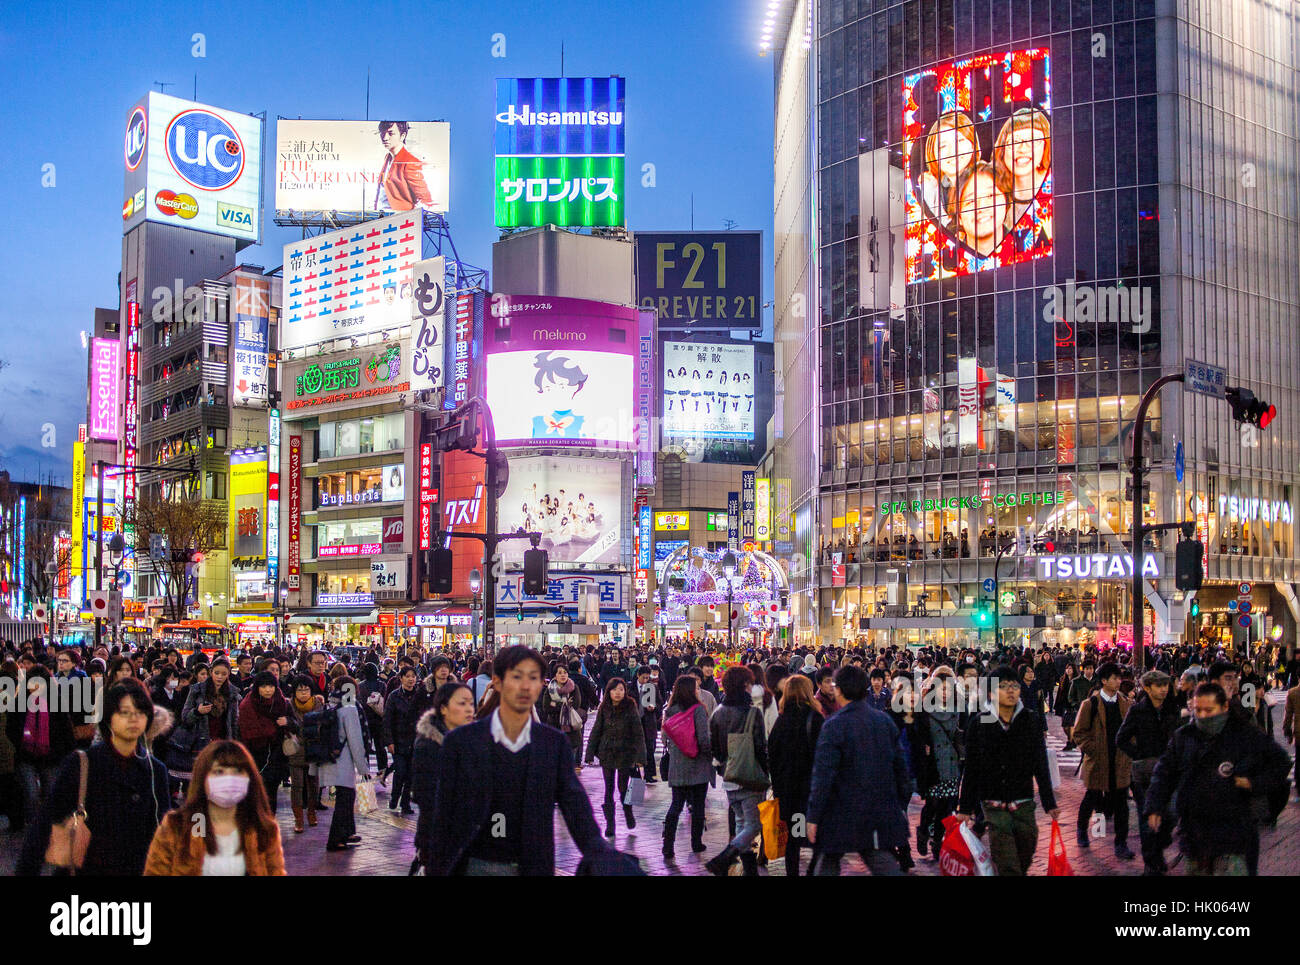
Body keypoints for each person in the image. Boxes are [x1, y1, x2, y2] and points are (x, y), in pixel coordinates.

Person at [427, 646, 612, 876]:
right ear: (497, 681)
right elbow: (443, 813)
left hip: (531, 865)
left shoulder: (552, 744)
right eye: (517, 676)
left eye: (533, 678)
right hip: (475, 863)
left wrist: (602, 852)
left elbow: (576, 808)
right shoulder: (462, 742)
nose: (526, 686)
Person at [17, 680, 170, 876]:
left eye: (140, 712)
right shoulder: (82, 763)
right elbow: (45, 824)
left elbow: (163, 831)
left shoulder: (155, 770)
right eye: (124, 712)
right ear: (109, 718)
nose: (134, 719)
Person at [1145, 682, 1293, 876]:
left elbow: (1280, 762)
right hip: (1194, 833)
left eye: (1209, 710)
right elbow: (1163, 773)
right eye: (1198, 710)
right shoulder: (1184, 737)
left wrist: (1253, 784)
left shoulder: (1244, 734)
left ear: (1224, 707)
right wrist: (1154, 806)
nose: (1203, 716)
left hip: (1232, 833)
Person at [804, 665, 910, 876]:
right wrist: (900, 802)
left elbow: (823, 775)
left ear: (840, 690)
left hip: (841, 810)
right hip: (879, 808)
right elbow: (900, 767)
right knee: (879, 859)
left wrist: (814, 815)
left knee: (828, 860)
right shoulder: (883, 721)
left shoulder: (834, 725)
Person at [955, 669, 1060, 876]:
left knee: (1026, 850)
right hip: (993, 805)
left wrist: (1049, 802)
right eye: (1003, 687)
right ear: (991, 693)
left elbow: (1040, 764)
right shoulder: (980, 723)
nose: (1010, 691)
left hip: (1023, 802)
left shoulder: (1030, 721)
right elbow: (972, 768)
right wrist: (965, 807)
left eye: (1014, 686)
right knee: (1007, 863)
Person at [144, 740, 285, 875]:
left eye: (237, 771)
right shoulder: (176, 826)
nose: (229, 779)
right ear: (202, 778)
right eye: (219, 772)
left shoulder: (264, 829)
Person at [705, 666, 770, 876]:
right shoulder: (753, 713)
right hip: (751, 777)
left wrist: (724, 766)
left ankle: (750, 871)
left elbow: (714, 747)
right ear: (744, 685)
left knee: (742, 823)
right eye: (749, 683)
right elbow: (761, 748)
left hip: (729, 775)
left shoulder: (718, 713)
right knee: (754, 825)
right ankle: (724, 858)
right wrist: (767, 773)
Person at [1115, 669, 1180, 874]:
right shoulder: (1138, 710)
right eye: (1159, 686)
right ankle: (1151, 864)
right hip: (1144, 772)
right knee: (1147, 817)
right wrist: (1138, 755)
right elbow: (1121, 738)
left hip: (1168, 769)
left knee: (1171, 812)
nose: (1163, 690)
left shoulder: (1172, 708)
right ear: (1147, 688)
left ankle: (1156, 850)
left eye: (1166, 686)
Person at [1071, 661, 1135, 858]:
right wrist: (1093, 750)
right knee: (1092, 797)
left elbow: (1133, 730)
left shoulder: (1126, 703)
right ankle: (1082, 832)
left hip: (1120, 760)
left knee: (1121, 804)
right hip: (1099, 761)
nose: (1118, 681)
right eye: (1114, 678)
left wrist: (1129, 750)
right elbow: (1079, 733)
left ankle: (1121, 843)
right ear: (1104, 681)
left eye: (1119, 678)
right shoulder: (1091, 704)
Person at [411, 682, 475, 870]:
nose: (469, 709)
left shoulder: (464, 740)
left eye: (471, 704)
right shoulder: (429, 745)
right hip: (438, 836)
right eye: (462, 704)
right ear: (444, 709)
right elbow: (425, 796)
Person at [768, 673, 824, 876]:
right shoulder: (815, 718)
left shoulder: (781, 720)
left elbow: (772, 755)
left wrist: (777, 786)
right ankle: (811, 870)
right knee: (819, 834)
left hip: (788, 791)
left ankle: (793, 873)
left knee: (794, 838)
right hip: (810, 790)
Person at [584, 677, 648, 837]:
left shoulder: (630, 706)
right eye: (614, 690)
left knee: (623, 787)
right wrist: (589, 753)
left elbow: (638, 732)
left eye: (621, 689)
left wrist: (641, 756)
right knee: (608, 788)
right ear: (609, 692)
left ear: (625, 691)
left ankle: (628, 811)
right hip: (607, 752)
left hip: (626, 753)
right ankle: (610, 823)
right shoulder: (604, 707)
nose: (618, 693)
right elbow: (597, 730)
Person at [912, 667, 965, 861]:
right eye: (941, 689)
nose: (945, 693)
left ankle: (937, 840)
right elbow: (917, 736)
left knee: (946, 807)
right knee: (932, 804)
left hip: (951, 764)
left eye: (948, 689)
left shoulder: (958, 709)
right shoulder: (924, 710)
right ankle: (923, 832)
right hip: (933, 764)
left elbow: (961, 735)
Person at [659, 674, 712, 860]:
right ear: (691, 690)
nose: (699, 690)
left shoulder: (670, 710)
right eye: (696, 687)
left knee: (676, 805)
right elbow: (704, 739)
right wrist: (711, 755)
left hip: (677, 764)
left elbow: (665, 737)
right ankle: (696, 843)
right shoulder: (698, 709)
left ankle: (668, 845)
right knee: (698, 806)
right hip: (697, 763)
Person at [319, 676, 371, 852]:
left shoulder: (330, 703)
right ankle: (335, 840)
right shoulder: (349, 707)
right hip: (344, 759)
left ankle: (348, 832)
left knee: (346, 796)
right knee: (345, 799)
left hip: (331, 758)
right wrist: (363, 767)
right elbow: (355, 739)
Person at [383, 666, 429, 815]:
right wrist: (389, 741)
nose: (411, 679)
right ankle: (394, 797)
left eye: (413, 676)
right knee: (400, 771)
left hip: (416, 741)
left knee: (410, 774)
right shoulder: (394, 696)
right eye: (407, 676)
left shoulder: (420, 695)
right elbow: (387, 720)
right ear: (401, 678)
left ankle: (405, 804)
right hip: (399, 741)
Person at [286, 675, 322, 833]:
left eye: (306, 690)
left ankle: (312, 812)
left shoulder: (318, 704)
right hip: (296, 751)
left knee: (314, 785)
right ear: (294, 692)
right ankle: (298, 818)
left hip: (314, 751)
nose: (303, 693)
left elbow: (323, 725)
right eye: (299, 690)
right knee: (297, 786)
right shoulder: (289, 705)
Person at [374, 120, 432, 211]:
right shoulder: (388, 157)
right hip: (382, 218)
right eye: (382, 133)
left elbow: (425, 200)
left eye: (390, 133)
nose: (385, 137)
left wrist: (409, 217)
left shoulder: (410, 162)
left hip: (400, 219)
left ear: (402, 136)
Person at [538, 662, 585, 765]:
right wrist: (565, 704)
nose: (563, 675)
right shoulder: (550, 689)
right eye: (559, 673)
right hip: (554, 729)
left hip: (571, 731)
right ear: (555, 675)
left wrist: (554, 704)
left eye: (565, 672)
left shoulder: (574, 688)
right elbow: (546, 707)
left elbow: (576, 704)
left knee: (568, 765)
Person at [635, 665, 662, 783]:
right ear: (638, 676)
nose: (645, 680)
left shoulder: (652, 688)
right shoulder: (629, 687)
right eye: (643, 678)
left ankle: (649, 774)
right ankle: (636, 775)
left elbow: (660, 703)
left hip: (648, 721)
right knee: (635, 749)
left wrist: (654, 708)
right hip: (635, 723)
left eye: (647, 678)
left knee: (649, 749)